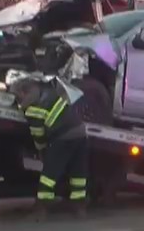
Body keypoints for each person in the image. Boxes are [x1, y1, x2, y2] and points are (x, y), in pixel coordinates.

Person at [13, 70, 91, 218]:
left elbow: (39, 136)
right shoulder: (51, 93)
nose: (18, 100)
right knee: (78, 173)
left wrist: (42, 152)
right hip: (81, 133)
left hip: (63, 137)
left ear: (24, 92)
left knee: (49, 174)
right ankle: (80, 208)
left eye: (18, 96)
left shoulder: (32, 109)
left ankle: (41, 208)